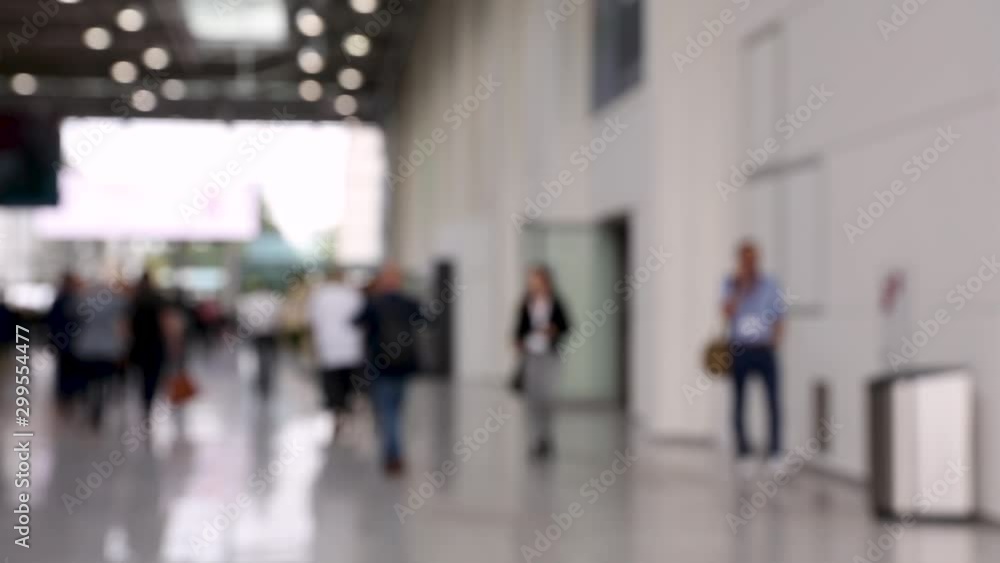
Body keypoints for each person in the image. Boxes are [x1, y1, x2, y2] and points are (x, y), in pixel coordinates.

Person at [721, 240, 786, 472]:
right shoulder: (731, 283)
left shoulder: (770, 284)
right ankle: (743, 453)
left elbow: (780, 313)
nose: (749, 263)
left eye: (753, 258)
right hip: (741, 349)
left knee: (773, 401)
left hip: (764, 348)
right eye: (745, 259)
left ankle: (775, 452)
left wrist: (777, 339)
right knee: (739, 401)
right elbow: (726, 312)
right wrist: (741, 288)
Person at [353, 264, 422, 475]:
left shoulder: (374, 303)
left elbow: (355, 322)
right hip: (404, 364)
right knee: (397, 409)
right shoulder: (410, 303)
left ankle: (392, 454)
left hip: (381, 364)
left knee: (387, 411)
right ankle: (394, 453)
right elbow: (426, 321)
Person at [513, 265, 570, 459]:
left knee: (547, 398)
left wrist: (552, 330)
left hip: (550, 355)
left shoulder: (555, 302)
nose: (533, 284)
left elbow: (566, 325)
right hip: (531, 355)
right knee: (532, 399)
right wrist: (519, 342)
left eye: (536, 280)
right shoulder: (526, 303)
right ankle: (535, 438)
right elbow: (518, 330)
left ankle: (547, 436)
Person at [308, 268, 364, 427]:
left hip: (328, 348)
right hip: (351, 348)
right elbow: (361, 319)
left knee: (332, 384)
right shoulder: (352, 294)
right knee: (348, 383)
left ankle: (336, 413)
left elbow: (314, 322)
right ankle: (345, 410)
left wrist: (314, 346)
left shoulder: (319, 295)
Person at [74, 273, 129, 429]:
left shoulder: (83, 301)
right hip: (107, 348)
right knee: (103, 381)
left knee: (88, 381)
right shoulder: (115, 302)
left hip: (87, 348)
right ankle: (97, 408)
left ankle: (90, 406)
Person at [129, 272, 169, 418]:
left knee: (141, 375)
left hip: (138, 345)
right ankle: (148, 402)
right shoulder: (157, 299)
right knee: (152, 376)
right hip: (155, 345)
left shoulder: (134, 300)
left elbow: (126, 324)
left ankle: (144, 399)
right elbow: (164, 323)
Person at [237, 283, 282, 398]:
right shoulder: (272, 299)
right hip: (269, 333)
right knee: (267, 356)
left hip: (259, 333)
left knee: (261, 356)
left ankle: (263, 377)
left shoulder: (253, 299)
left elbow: (245, 315)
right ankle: (265, 377)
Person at [48, 272, 82, 414]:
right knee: (67, 368)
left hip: (66, 340)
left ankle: (66, 393)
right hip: (68, 340)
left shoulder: (66, 299)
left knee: (66, 368)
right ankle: (66, 393)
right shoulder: (71, 300)